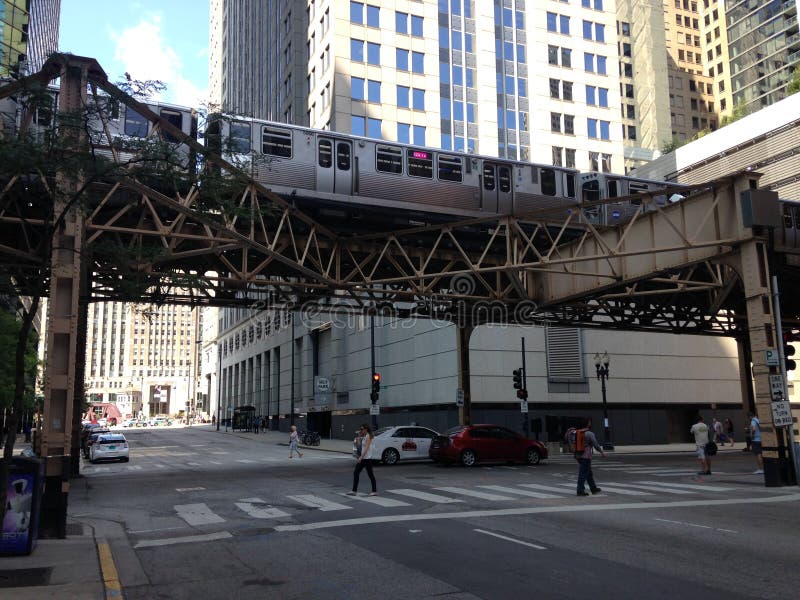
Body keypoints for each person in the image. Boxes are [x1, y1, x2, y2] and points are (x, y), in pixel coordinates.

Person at [575, 419, 605, 496]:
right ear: (587, 424)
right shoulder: (589, 433)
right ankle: (580, 490)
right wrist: (601, 452)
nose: (590, 423)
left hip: (578, 455)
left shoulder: (578, 432)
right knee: (583, 473)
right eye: (589, 422)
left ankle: (593, 488)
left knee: (588, 473)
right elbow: (595, 444)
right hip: (586, 456)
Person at [348, 423, 377, 496]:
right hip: (364, 458)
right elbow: (360, 446)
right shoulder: (364, 436)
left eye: (362, 429)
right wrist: (358, 438)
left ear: (366, 429)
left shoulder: (369, 436)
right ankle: (354, 491)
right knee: (356, 473)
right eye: (360, 429)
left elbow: (366, 448)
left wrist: (360, 457)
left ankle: (374, 491)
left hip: (367, 459)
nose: (361, 430)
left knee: (370, 475)